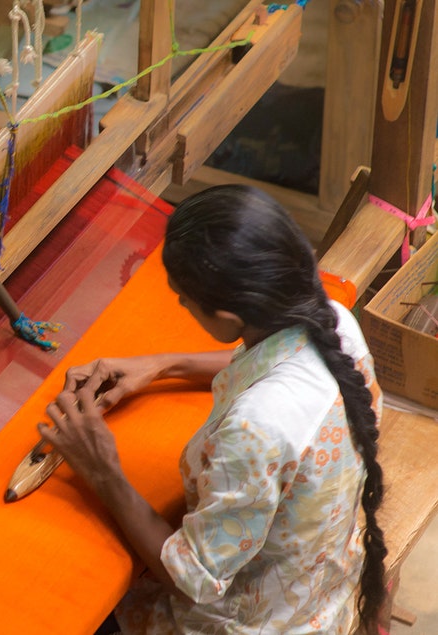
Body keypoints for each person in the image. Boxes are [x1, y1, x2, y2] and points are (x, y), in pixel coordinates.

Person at [38, 184, 387, 634]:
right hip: (317, 591)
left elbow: (193, 580)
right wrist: (166, 363)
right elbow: (279, 364)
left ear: (228, 317)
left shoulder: (254, 430)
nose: (181, 304)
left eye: (183, 298)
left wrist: (102, 469)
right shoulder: (336, 323)